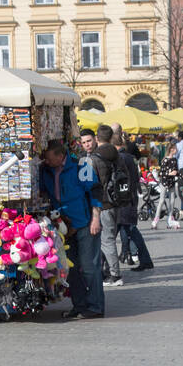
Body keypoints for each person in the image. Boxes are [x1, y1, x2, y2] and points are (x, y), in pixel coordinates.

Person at [39, 140, 105, 319]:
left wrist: (96, 218)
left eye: (50, 158)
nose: (47, 161)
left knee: (89, 266)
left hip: (85, 223)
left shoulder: (81, 165)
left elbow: (95, 191)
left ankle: (95, 306)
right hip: (63, 226)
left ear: (61, 156)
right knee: (70, 267)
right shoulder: (46, 170)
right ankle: (79, 305)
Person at [104, 127, 153, 274]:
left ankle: (141, 260)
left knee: (118, 233)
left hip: (123, 201)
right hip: (128, 199)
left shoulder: (120, 158)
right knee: (125, 231)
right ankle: (139, 258)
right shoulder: (128, 157)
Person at [79, 128, 122, 285]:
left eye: (89, 141)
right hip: (113, 202)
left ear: (95, 139)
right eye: (84, 142)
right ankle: (107, 271)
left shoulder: (91, 159)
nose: (87, 145)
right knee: (107, 239)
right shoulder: (113, 154)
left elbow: (88, 186)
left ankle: (115, 275)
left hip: (102, 204)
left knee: (107, 240)